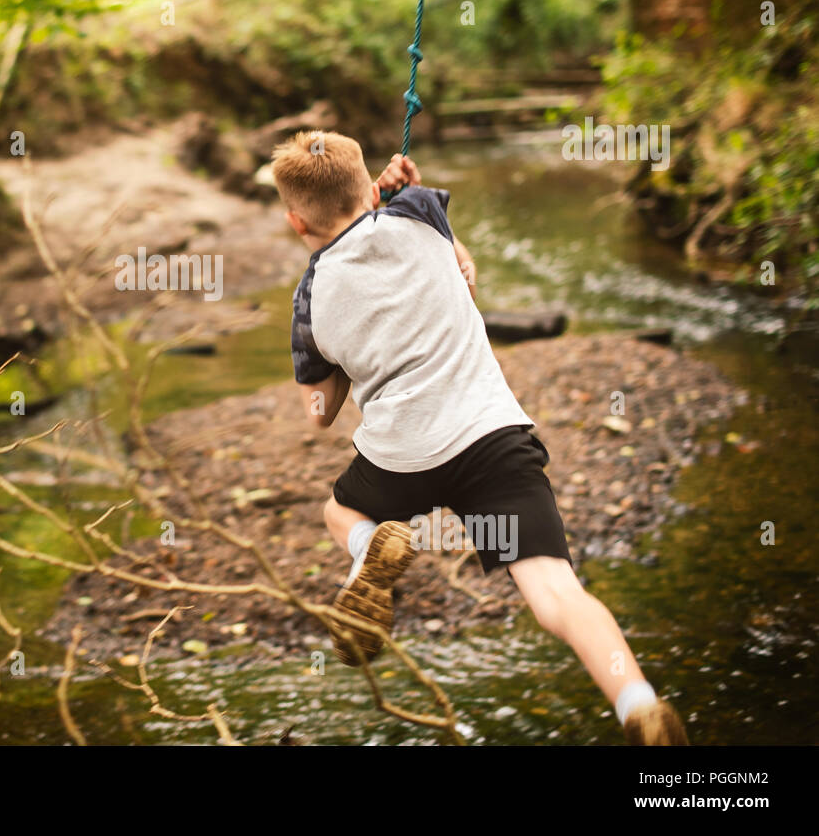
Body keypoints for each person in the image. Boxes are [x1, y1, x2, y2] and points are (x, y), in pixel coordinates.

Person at [273, 129, 687, 746]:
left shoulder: (310, 297)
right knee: (554, 590)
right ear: (369, 185)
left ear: (294, 223)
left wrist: (338, 364)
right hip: (490, 435)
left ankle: (369, 553)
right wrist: (400, 196)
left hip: (400, 458)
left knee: (341, 510)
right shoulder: (419, 211)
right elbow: (465, 275)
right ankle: (637, 702)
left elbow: (320, 413)